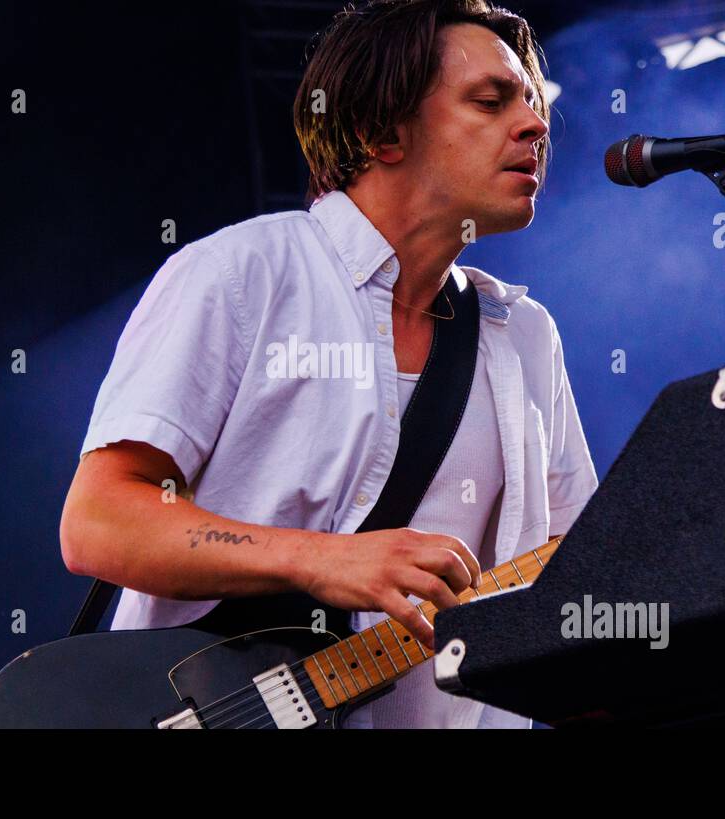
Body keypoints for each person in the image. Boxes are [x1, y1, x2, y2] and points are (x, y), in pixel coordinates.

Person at [59, 0, 599, 728]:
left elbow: (578, 566)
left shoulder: (527, 335)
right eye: (490, 100)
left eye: (533, 102)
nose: (536, 125)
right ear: (381, 132)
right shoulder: (245, 273)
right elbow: (97, 521)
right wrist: (322, 559)